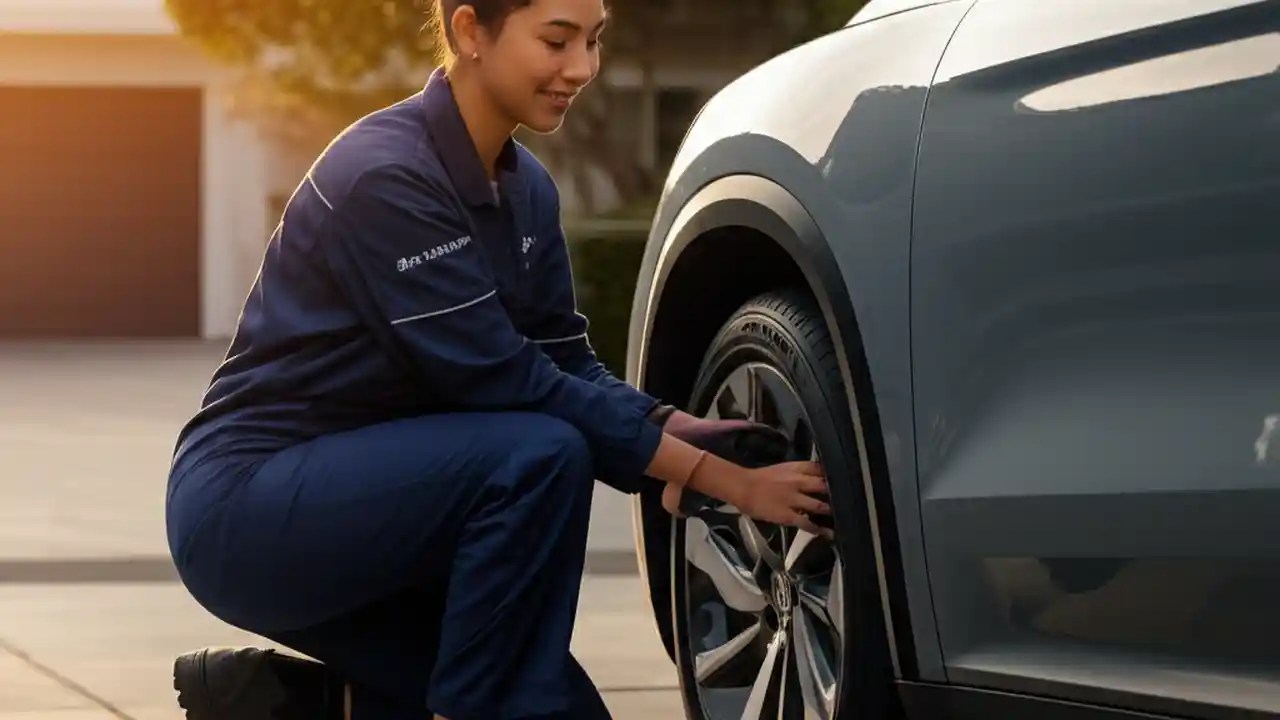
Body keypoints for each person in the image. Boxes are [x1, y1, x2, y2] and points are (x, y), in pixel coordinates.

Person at [164, 0, 831, 718]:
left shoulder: (526, 190)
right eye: (556, 40)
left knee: (555, 708)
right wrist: (716, 478)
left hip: (397, 497)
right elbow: (502, 377)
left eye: (594, 40)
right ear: (469, 30)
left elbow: (565, 361)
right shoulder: (385, 174)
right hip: (253, 508)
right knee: (539, 457)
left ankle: (270, 704)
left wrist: (667, 428)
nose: (582, 67)